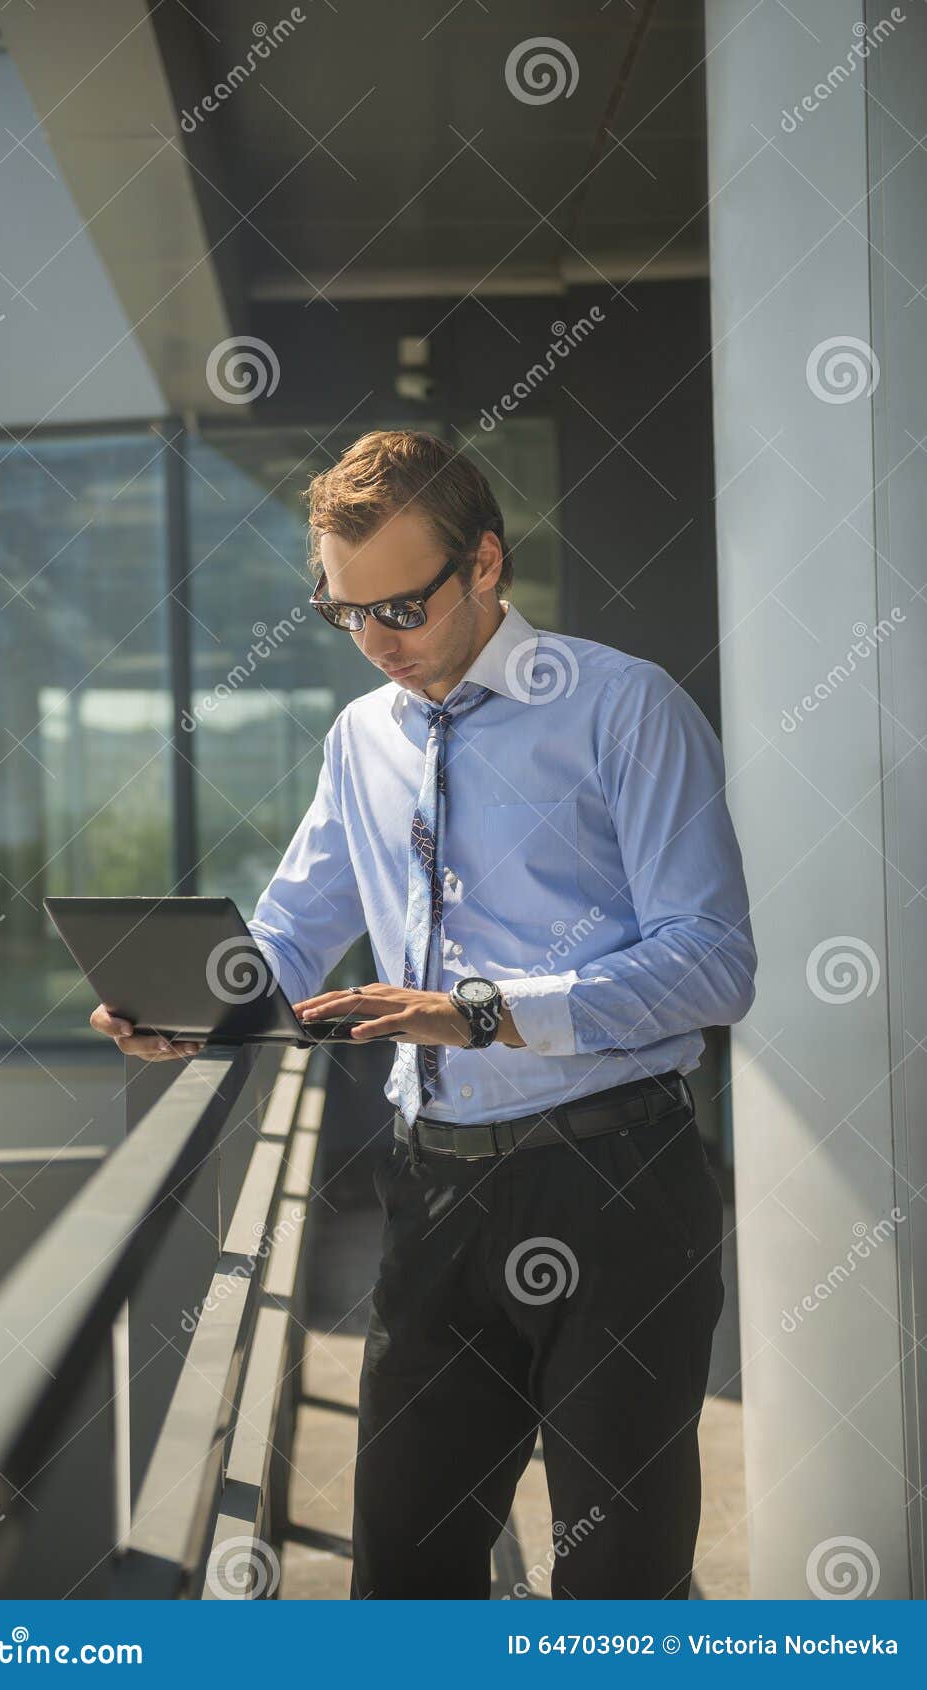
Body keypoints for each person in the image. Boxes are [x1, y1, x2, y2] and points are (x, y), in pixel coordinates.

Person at [90, 428, 757, 1599]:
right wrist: (199, 1013)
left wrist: (485, 1013)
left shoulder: (623, 709)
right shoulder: (362, 737)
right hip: (434, 1191)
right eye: (343, 613)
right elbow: (293, 930)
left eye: (401, 604)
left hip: (617, 1191)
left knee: (617, 1585)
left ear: (486, 563)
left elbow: (712, 963)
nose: (376, 642)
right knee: (402, 1575)